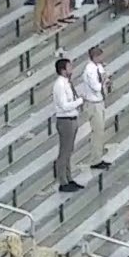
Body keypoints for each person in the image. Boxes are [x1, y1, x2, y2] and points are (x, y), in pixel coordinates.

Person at [51, 57, 84, 193]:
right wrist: (80, 101)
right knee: (64, 152)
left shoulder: (67, 83)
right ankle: (62, 181)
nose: (72, 69)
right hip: (65, 120)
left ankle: (69, 177)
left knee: (69, 150)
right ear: (63, 70)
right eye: (69, 67)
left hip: (72, 118)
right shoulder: (59, 84)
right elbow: (64, 105)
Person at [80, 46, 111, 170]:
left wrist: (107, 80)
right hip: (93, 104)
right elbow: (96, 87)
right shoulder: (90, 70)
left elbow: (104, 76)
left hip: (100, 101)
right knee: (97, 131)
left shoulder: (98, 66)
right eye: (100, 56)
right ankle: (95, 160)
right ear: (95, 57)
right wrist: (103, 81)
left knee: (100, 131)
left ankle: (98, 156)